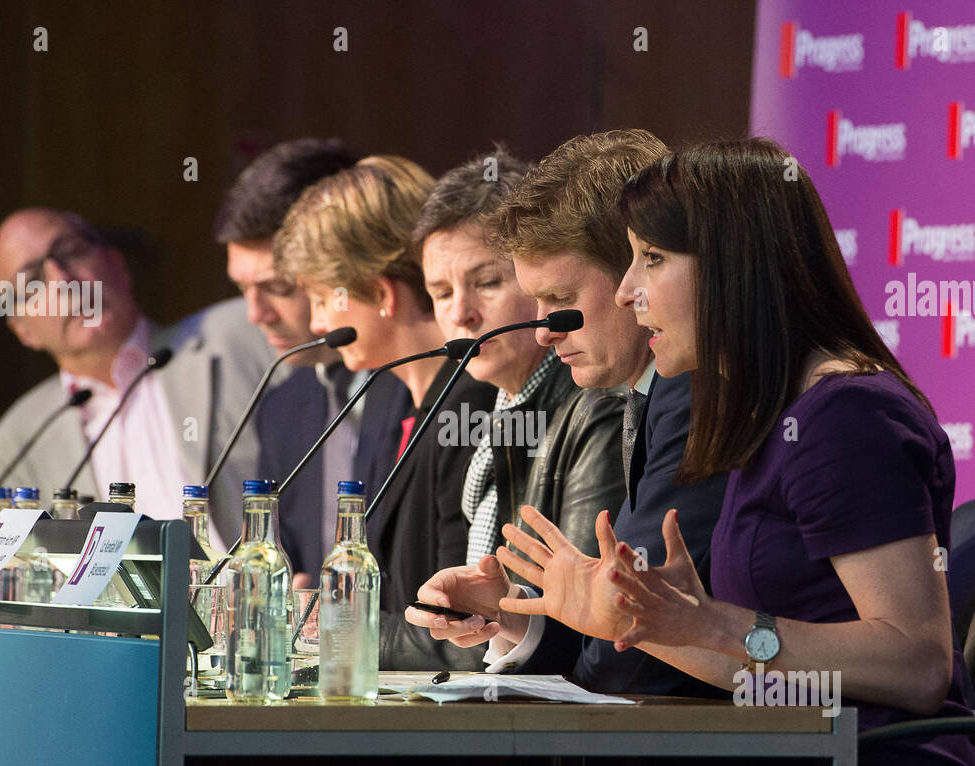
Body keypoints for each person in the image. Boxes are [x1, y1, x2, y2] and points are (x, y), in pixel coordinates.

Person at [501, 138, 975, 766]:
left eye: (653, 259)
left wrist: (715, 621)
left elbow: (915, 662)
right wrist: (646, 623)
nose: (624, 291)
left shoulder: (845, 415)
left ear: (733, 267)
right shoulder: (771, 412)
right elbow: (761, 659)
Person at [401, 130, 729, 697]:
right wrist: (516, 617)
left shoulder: (690, 396)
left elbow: (628, 650)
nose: (545, 329)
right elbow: (610, 633)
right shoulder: (647, 396)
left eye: (560, 299)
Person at [385, 149, 628, 667]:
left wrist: (343, 637)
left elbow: (584, 627)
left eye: (488, 283)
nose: (461, 314)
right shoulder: (490, 409)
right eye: (440, 292)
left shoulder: (597, 405)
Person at [274, 155, 497, 627]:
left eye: (321, 299)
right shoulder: (393, 406)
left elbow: (460, 623)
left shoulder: (469, 406)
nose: (316, 324)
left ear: (382, 294)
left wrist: (327, 625)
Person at [0, 208, 275, 543]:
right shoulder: (19, 440)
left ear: (118, 265)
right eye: (32, 281)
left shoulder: (243, 335)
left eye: (70, 253)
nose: (62, 282)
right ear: (22, 329)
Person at [214, 138, 410, 579]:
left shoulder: (423, 383)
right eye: (242, 289)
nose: (255, 314)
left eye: (279, 287)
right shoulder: (281, 407)